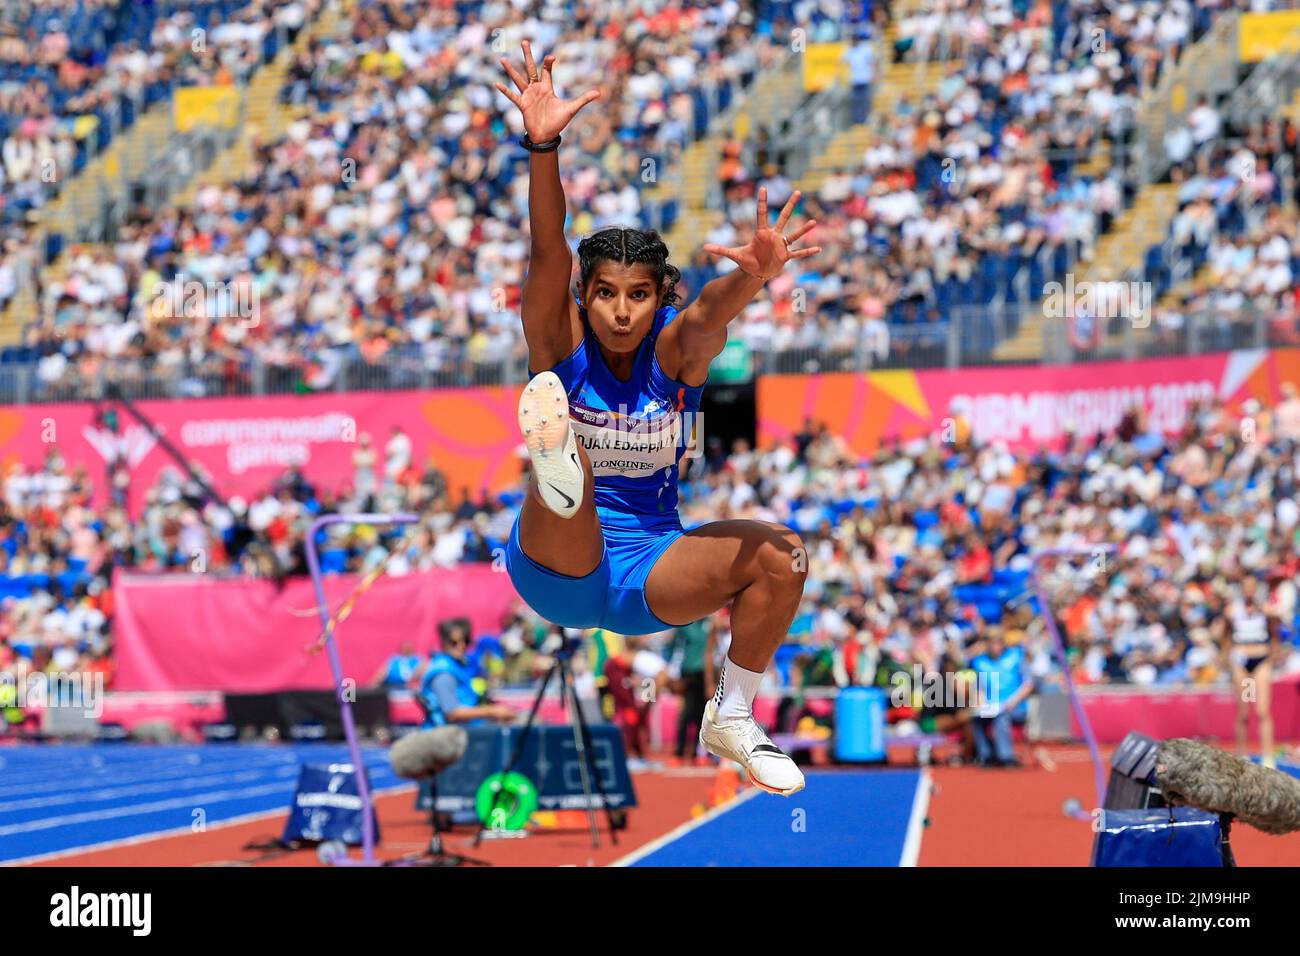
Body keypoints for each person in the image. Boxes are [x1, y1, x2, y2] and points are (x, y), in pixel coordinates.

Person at [495, 41, 821, 795]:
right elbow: (549, 251)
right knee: (560, 443)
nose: (618, 310)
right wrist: (542, 146)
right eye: (604, 292)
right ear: (586, 295)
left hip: (647, 575)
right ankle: (554, 459)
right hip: (556, 565)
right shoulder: (559, 337)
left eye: (637, 295)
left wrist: (752, 277)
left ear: (658, 297)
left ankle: (732, 717)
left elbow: (709, 315)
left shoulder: (676, 354)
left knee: (784, 555)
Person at [1220, 575, 1279, 768]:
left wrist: (1271, 657)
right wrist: (1228, 658)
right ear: (1241, 589)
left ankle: (1268, 757)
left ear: (1257, 589)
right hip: (1241, 663)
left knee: (1262, 709)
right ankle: (1242, 755)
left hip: (1260, 660)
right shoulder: (1232, 612)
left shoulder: (1266, 610)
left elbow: (1274, 634)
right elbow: (1225, 636)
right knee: (1244, 711)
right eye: (1246, 587)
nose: (1249, 591)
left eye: (1252, 587)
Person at [414, 618, 515, 729]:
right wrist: (492, 711)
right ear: (443, 642)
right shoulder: (443, 673)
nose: (461, 646)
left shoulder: (457, 666)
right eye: (454, 642)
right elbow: (452, 714)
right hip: (445, 738)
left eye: (465, 641)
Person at [968, 627, 1035, 767]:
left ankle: (1006, 756)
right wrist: (980, 702)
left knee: (1001, 716)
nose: (995, 646)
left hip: (1015, 707)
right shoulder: (979, 662)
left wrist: (1012, 702)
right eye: (991, 642)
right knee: (975, 718)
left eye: (998, 642)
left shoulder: (1016, 656)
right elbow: (977, 687)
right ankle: (986, 755)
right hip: (990, 705)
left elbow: (1028, 684)